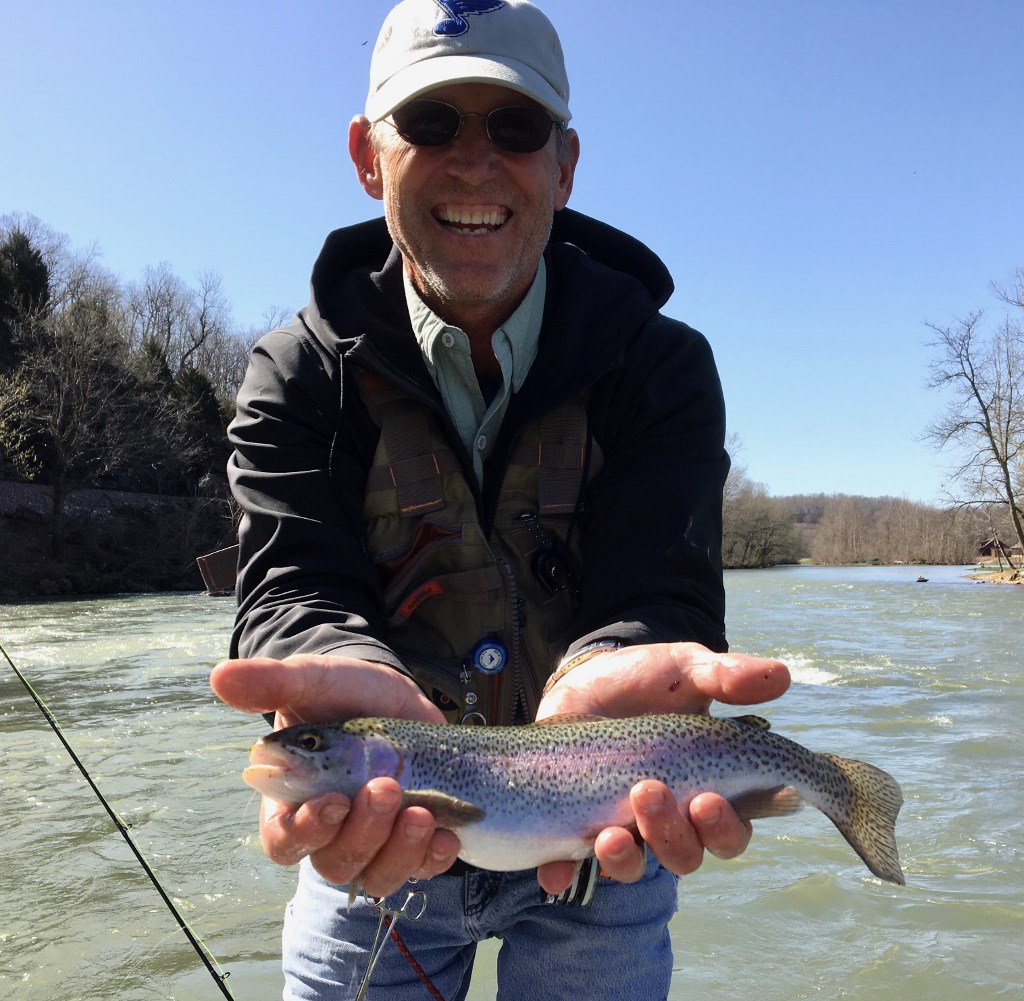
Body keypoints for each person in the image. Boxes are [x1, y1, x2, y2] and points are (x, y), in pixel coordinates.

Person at [210, 1, 790, 998]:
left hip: (606, 829)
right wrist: (333, 672)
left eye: (513, 128)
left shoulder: (662, 367)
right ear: (366, 154)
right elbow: (291, 584)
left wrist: (629, 651)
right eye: (431, 123)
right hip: (376, 842)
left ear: (563, 163)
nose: (473, 161)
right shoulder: (296, 375)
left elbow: (664, 579)